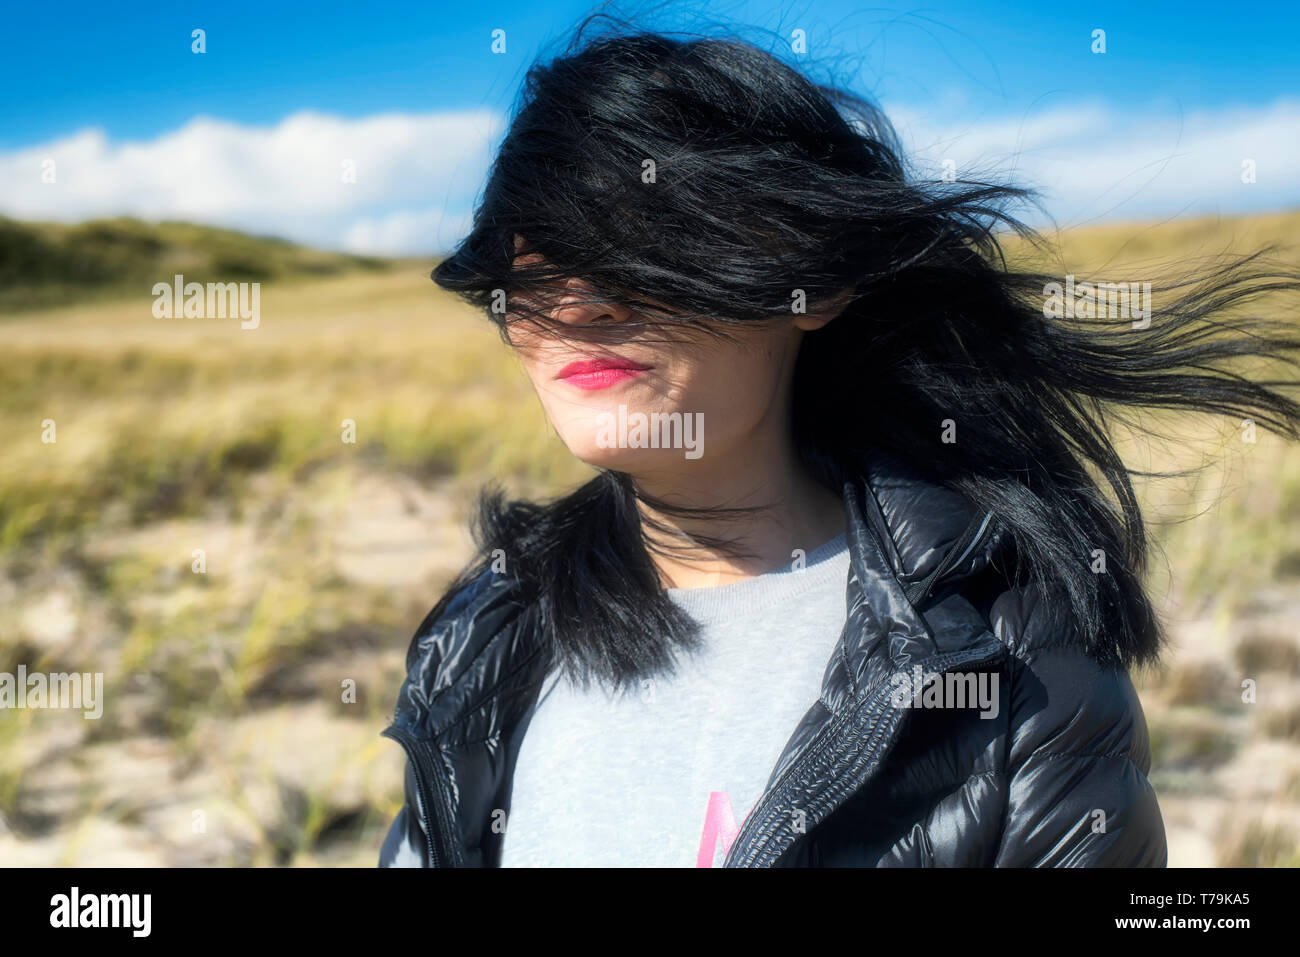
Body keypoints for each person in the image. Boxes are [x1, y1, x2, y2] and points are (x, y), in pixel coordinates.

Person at [378, 25, 1300, 867]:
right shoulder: (488, 626)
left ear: (813, 283)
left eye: (639, 242)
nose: (577, 303)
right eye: (529, 261)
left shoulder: (1009, 658)